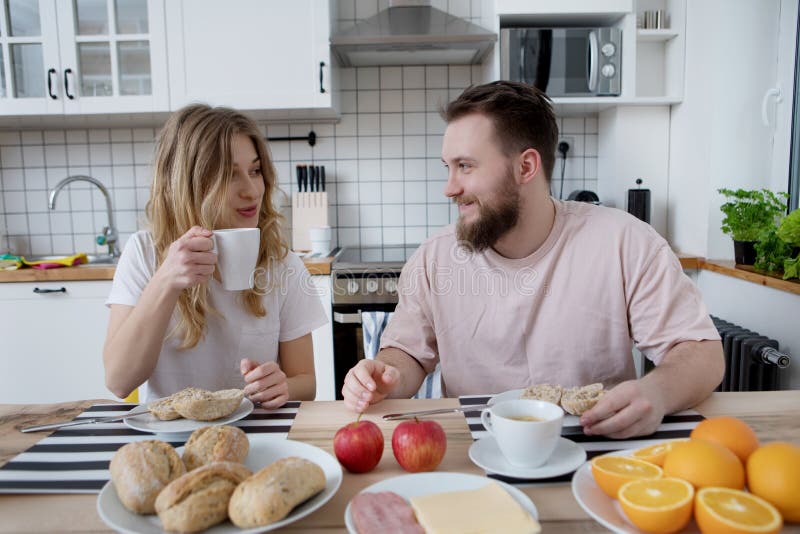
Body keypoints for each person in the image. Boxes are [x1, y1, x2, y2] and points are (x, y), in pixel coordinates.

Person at [342, 81, 725, 438]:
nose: (449, 188)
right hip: (478, 447)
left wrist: (656, 391)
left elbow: (702, 353)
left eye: (465, 166)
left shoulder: (624, 242)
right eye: (448, 168)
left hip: (594, 444)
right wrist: (386, 374)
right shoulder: (434, 258)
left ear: (526, 166)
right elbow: (407, 353)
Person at [103, 104, 327, 408]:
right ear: (189, 185)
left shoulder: (283, 264)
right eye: (230, 175)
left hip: (256, 434)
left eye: (255, 171)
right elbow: (119, 381)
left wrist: (282, 386)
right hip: (170, 437)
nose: (251, 191)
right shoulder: (144, 253)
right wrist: (167, 280)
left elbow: (306, 382)